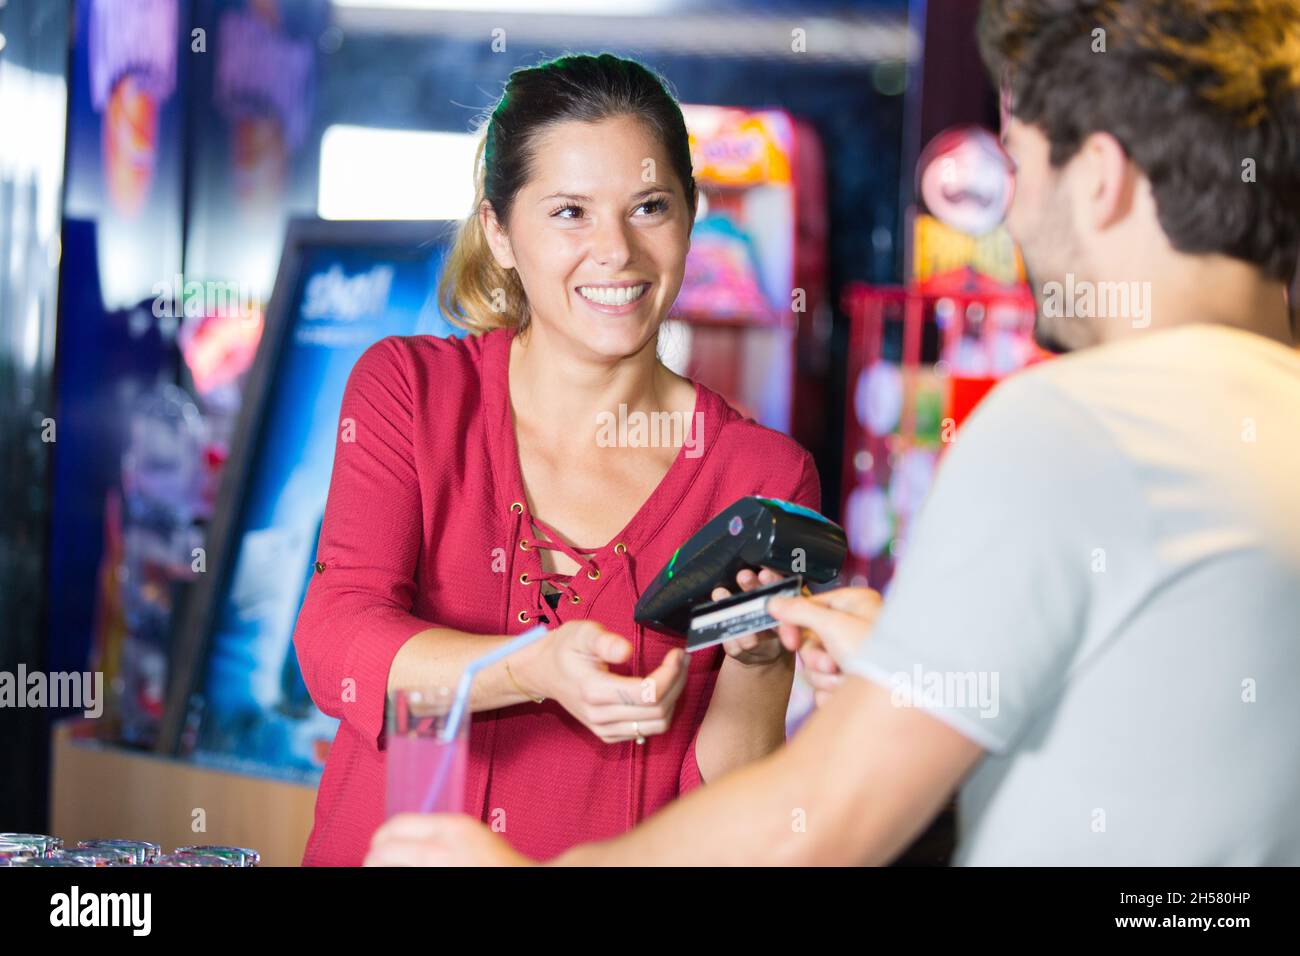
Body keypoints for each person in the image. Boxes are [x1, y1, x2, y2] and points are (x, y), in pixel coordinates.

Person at [365, 0, 1300, 867]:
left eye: (1017, 164)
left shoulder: (1075, 426)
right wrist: (919, 660)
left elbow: (824, 820)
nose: (1008, 213)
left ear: (1098, 179)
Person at [294, 53, 823, 866]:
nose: (616, 251)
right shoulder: (411, 392)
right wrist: (531, 667)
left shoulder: (761, 477)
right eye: (570, 212)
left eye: (649, 207)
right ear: (500, 233)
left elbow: (726, 811)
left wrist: (756, 662)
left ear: (690, 218)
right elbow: (337, 642)